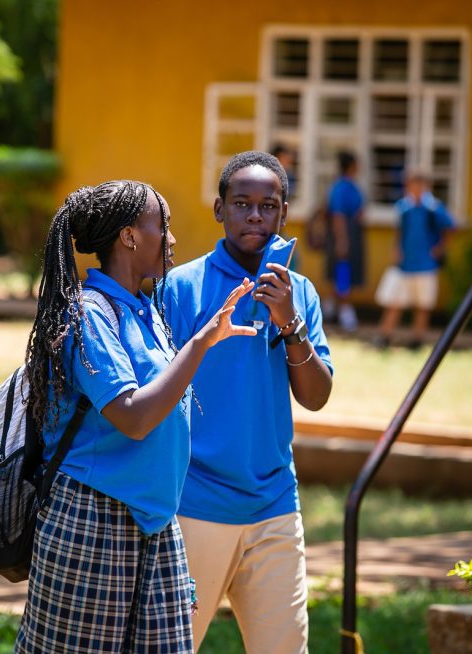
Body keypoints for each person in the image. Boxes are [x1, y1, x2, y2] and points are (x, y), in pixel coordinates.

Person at [15, 180, 257, 653]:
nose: (172, 239)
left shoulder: (145, 311)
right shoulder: (88, 315)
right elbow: (133, 417)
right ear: (128, 236)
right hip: (92, 521)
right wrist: (200, 343)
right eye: (162, 226)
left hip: (156, 524)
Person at [161, 151, 333, 653]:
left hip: (274, 505)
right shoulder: (180, 288)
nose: (255, 215)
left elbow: (316, 397)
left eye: (268, 205)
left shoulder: (299, 292)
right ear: (220, 209)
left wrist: (289, 321)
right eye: (242, 203)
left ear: (284, 214)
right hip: (195, 505)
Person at [373, 169, 455, 349]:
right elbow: (399, 230)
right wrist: (396, 249)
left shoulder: (434, 208)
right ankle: (385, 336)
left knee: (422, 305)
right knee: (395, 302)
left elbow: (449, 227)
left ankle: (417, 339)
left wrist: (440, 248)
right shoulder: (404, 207)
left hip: (426, 264)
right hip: (406, 264)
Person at [324, 151, 365, 332]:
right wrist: (342, 240)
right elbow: (337, 216)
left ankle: (330, 308)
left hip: (353, 232)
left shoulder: (351, 185)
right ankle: (344, 311)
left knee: (344, 272)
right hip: (344, 234)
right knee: (343, 272)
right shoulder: (340, 187)